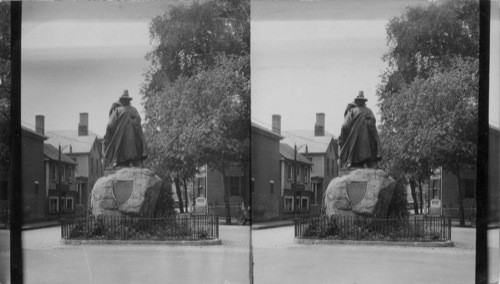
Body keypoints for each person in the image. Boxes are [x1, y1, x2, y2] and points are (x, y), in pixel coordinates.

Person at [104, 90, 147, 168]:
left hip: (121, 147)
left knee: (121, 165)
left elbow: (109, 126)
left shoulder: (117, 111)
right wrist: (131, 123)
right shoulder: (134, 110)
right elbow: (138, 121)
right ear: (128, 101)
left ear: (122, 100)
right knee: (138, 165)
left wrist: (113, 133)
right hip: (134, 147)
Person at [339, 91, 381, 168]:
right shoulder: (369, 111)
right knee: (370, 164)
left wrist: (348, 133)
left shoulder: (352, 111)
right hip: (367, 146)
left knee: (356, 165)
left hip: (355, 145)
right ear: (363, 102)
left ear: (357, 101)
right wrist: (365, 124)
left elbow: (344, 126)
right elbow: (373, 121)